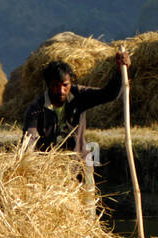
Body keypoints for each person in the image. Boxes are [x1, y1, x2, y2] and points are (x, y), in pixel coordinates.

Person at [20, 50, 131, 190]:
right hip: (51, 170)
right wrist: (25, 162)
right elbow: (29, 137)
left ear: (70, 83)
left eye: (65, 85)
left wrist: (120, 72)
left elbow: (108, 94)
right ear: (48, 85)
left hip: (80, 164)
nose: (61, 91)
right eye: (55, 85)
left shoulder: (79, 96)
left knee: (87, 206)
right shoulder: (37, 108)